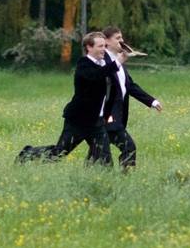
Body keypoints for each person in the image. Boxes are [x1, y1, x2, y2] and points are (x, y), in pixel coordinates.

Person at [17, 31, 120, 165]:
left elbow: (109, 86)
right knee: (58, 154)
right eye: (100, 46)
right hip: (78, 121)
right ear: (89, 47)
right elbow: (95, 76)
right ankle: (28, 153)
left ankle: (98, 181)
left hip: (96, 122)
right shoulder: (83, 65)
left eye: (105, 46)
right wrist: (118, 62)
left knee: (105, 158)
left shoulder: (102, 64)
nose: (104, 49)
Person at [100, 26, 163, 170]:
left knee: (99, 152)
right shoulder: (102, 60)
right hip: (107, 115)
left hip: (115, 115)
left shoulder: (119, 60)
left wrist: (152, 101)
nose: (121, 41)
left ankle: (96, 176)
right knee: (128, 146)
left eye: (121, 38)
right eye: (117, 38)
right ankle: (125, 176)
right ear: (107, 42)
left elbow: (130, 86)